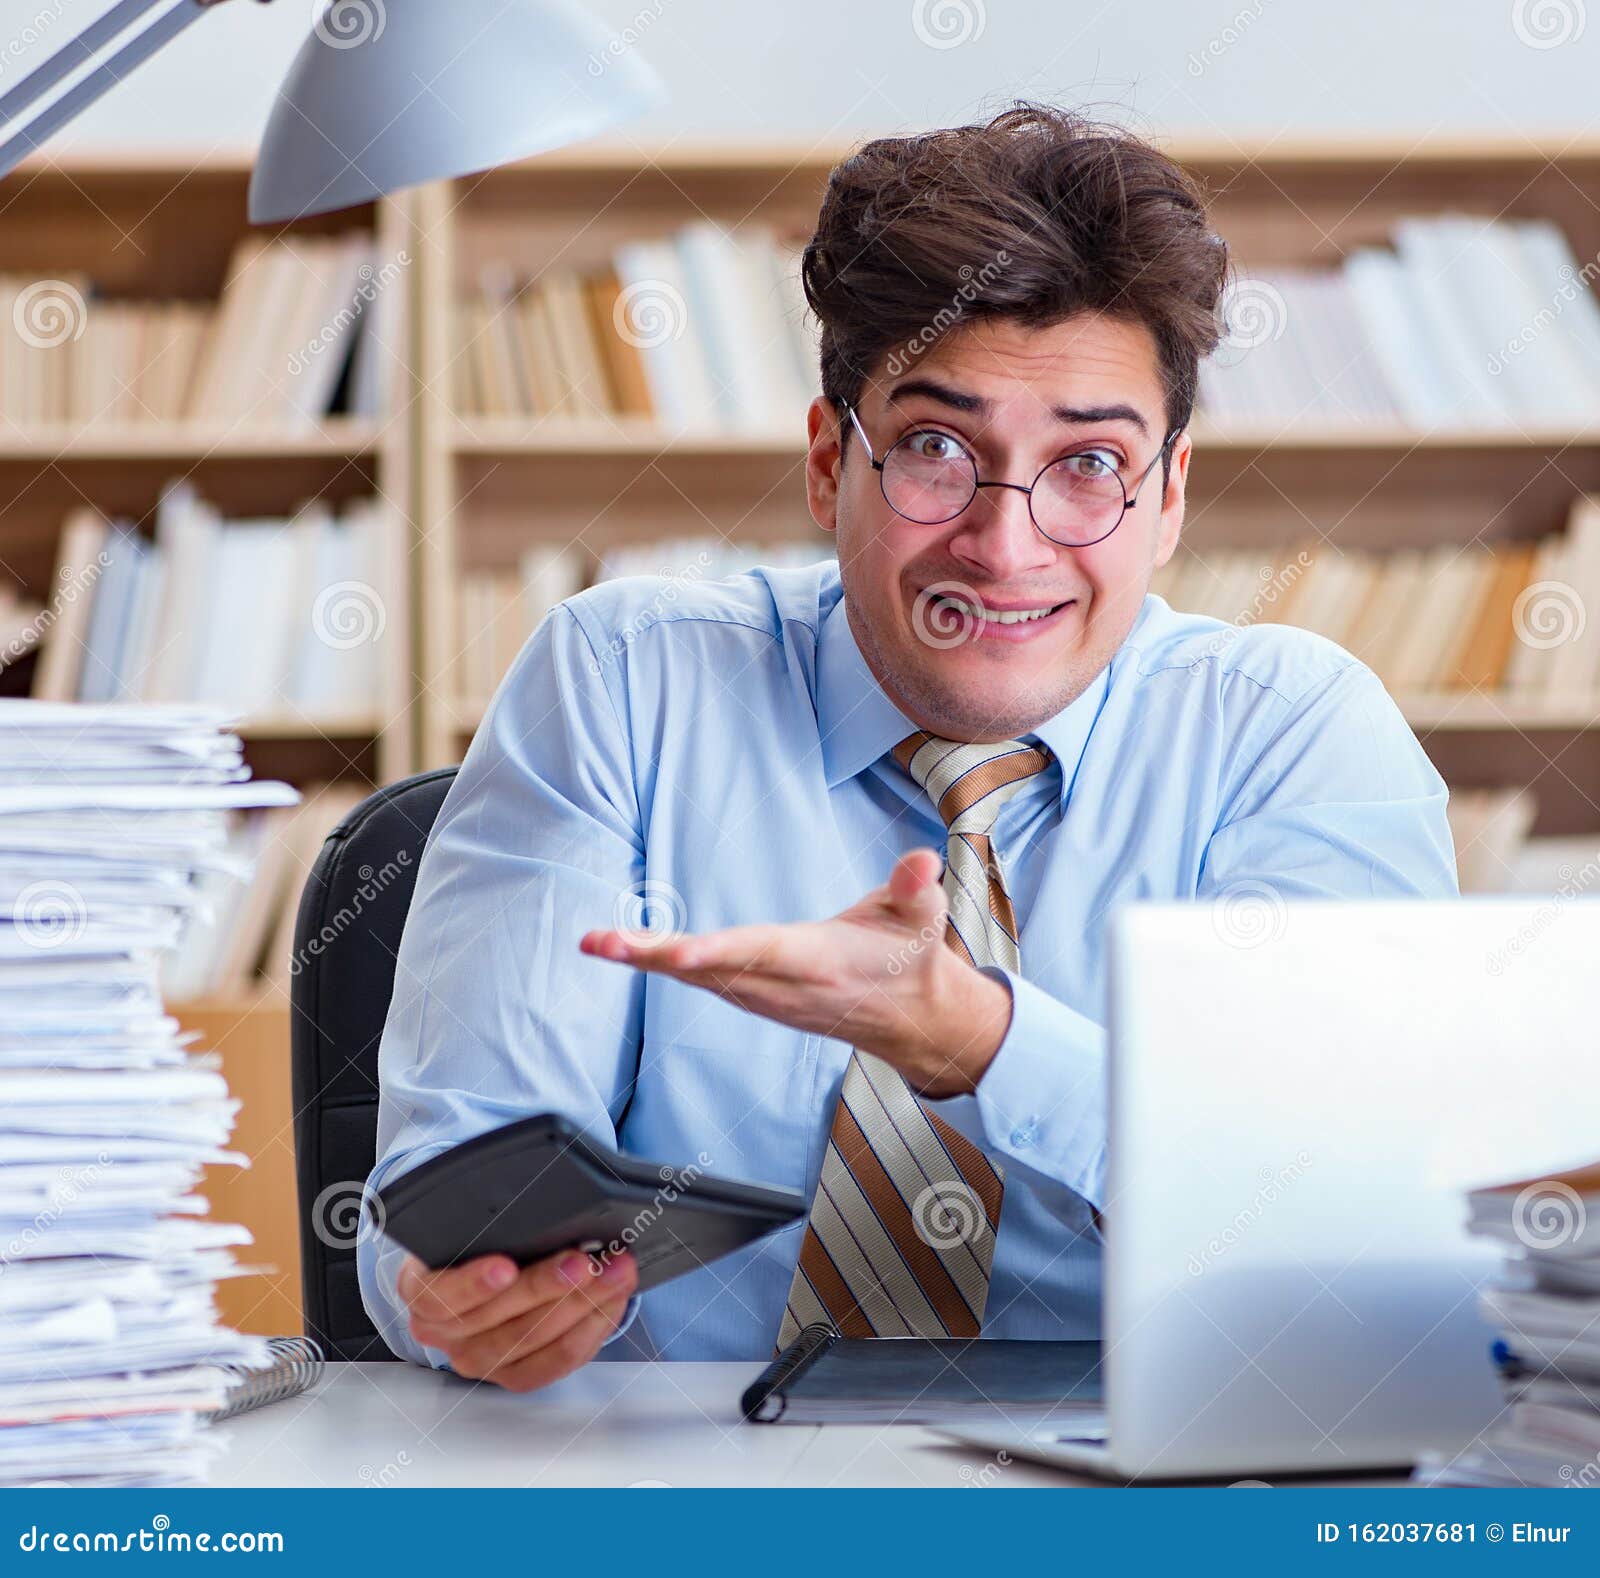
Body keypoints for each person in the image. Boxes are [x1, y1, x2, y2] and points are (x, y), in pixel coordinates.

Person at [357, 102, 1457, 1391]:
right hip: (679, 1488)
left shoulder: (1293, 735)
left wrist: (982, 1045)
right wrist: (456, 1293)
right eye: (936, 451)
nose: (1005, 546)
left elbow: (1344, 1233)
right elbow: (456, 1178)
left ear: (1167, 501)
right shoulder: (625, 680)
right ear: (831, 466)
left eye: (1090, 464)